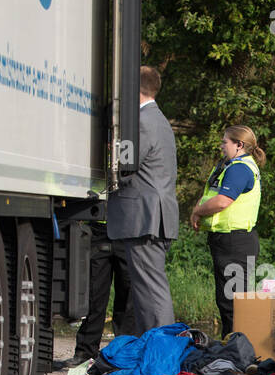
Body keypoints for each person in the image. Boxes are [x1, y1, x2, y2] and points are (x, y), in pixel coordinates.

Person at [106, 66, 178, 335]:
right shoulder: (157, 119)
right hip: (151, 215)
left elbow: (125, 165)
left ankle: (163, 351)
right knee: (146, 291)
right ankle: (156, 349)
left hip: (145, 217)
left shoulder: (143, 122)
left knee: (150, 292)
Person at [191, 125, 264, 336]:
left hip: (235, 241)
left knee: (233, 303)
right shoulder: (230, 166)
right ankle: (232, 348)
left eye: (225, 142)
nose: (221, 146)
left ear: (239, 145)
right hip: (229, 241)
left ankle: (237, 352)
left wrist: (197, 211)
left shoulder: (239, 169)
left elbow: (222, 201)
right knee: (228, 300)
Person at [58, 216, 130, 368]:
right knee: (93, 296)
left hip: (128, 230)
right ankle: (85, 352)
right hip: (99, 229)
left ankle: (124, 353)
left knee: (127, 299)